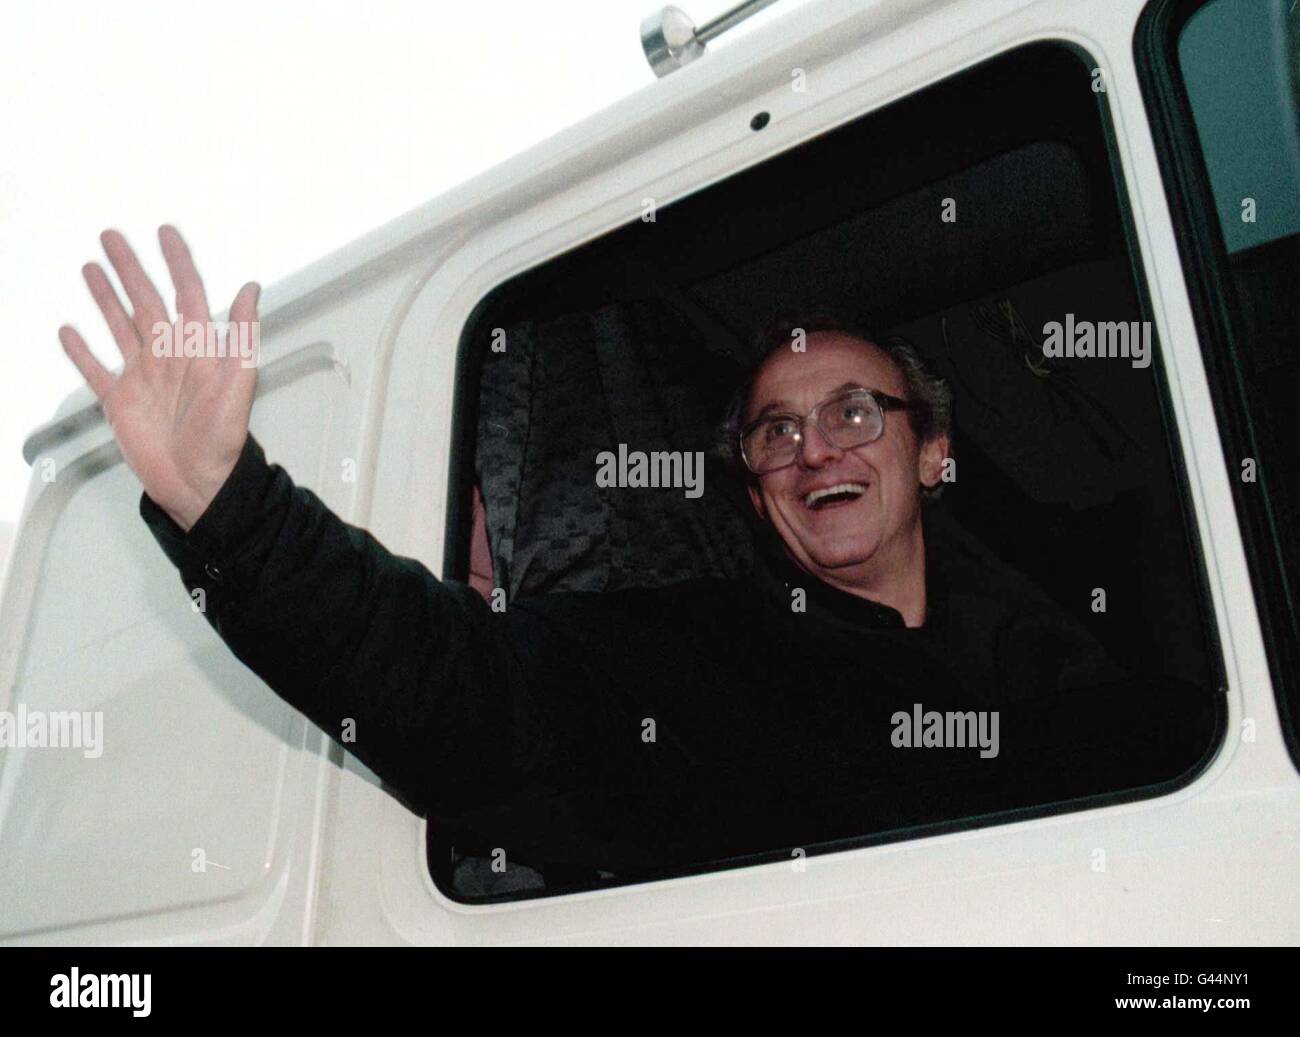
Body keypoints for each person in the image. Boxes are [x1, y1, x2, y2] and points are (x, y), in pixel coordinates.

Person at [59, 226, 1142, 886]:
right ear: (756, 487)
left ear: (935, 451)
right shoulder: (695, 659)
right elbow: (456, 685)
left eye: (853, 412)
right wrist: (225, 502)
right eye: (775, 430)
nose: (813, 448)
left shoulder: (1070, 662)